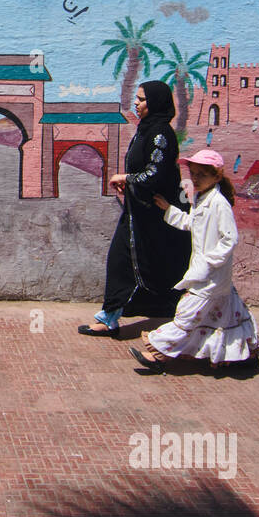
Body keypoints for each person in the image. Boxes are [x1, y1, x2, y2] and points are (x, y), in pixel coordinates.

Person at [130, 149, 259, 371]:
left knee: (188, 313)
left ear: (217, 176)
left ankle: (159, 352)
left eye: (202, 174)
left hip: (210, 273)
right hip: (208, 273)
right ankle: (244, 354)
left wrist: (209, 262)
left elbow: (230, 239)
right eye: (194, 173)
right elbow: (194, 225)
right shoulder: (202, 200)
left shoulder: (219, 204)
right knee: (225, 315)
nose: (196, 179)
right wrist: (169, 210)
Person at [78, 81, 191, 337]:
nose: (136, 104)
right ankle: (110, 317)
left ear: (154, 102)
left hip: (156, 217)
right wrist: (128, 182)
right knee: (121, 261)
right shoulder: (148, 130)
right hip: (139, 213)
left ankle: (187, 318)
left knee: (157, 265)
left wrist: (127, 178)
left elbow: (155, 173)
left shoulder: (161, 133)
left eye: (141, 100)